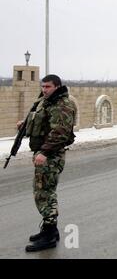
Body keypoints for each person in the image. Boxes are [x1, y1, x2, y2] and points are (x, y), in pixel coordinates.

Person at [21, 75, 76, 252]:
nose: (44, 89)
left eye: (48, 87)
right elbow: (42, 121)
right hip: (44, 153)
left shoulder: (62, 104)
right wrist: (25, 123)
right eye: (43, 86)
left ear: (57, 86)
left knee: (45, 193)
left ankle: (50, 235)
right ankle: (49, 230)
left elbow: (60, 132)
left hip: (51, 155)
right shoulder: (47, 101)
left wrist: (44, 152)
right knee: (42, 191)